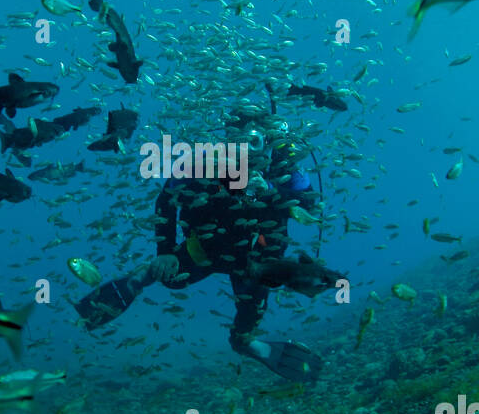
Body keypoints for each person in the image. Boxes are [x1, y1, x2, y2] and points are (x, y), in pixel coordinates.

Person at [74, 103, 335, 382]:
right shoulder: (205, 160)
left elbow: (312, 205)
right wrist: (164, 252)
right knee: (170, 278)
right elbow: (166, 199)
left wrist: (270, 191)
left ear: (268, 139)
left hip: (258, 260)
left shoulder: (283, 165)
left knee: (251, 313)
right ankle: (138, 279)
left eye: (255, 141)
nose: (247, 149)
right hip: (206, 247)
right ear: (228, 139)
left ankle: (245, 341)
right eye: (239, 141)